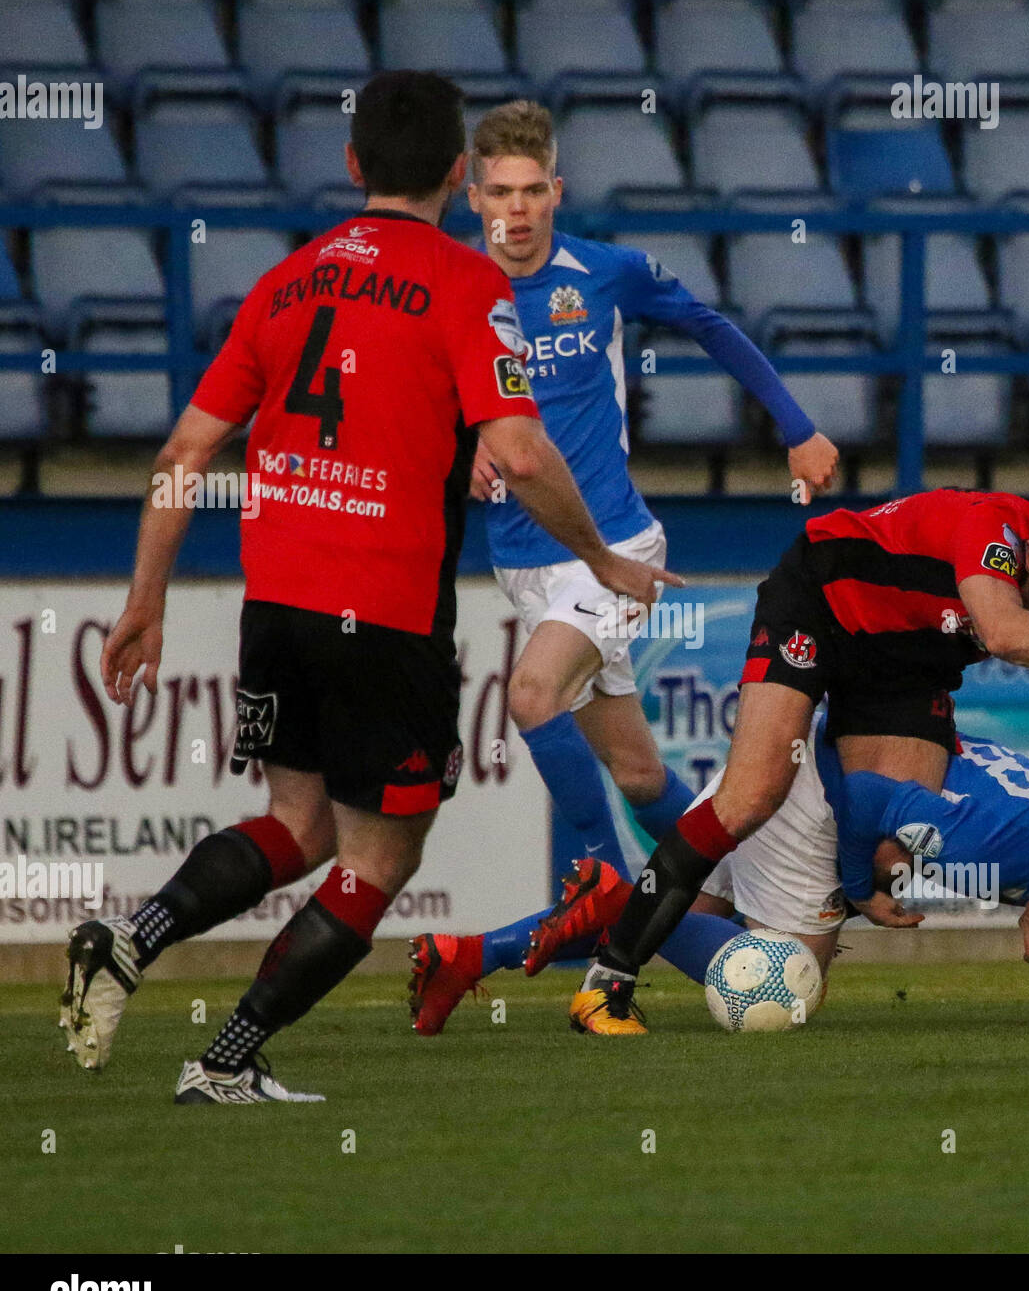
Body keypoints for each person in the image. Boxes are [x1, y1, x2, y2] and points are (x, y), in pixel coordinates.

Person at [59, 71, 674, 1103]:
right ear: (454, 173)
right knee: (375, 859)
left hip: (277, 602)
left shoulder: (284, 280)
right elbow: (519, 451)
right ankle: (227, 1057)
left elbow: (184, 448)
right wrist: (609, 559)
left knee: (297, 825)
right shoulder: (466, 284)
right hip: (384, 616)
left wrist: (146, 599)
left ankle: (132, 936)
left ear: (351, 167)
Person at [403, 100, 841, 1017]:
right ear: (470, 193)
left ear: (556, 191)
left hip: (616, 553)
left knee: (529, 696)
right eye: (498, 194)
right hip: (523, 563)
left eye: (532, 192)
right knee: (642, 776)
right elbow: (428, 405)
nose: (515, 212)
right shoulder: (446, 285)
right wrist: (465, 444)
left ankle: (597, 881)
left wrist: (797, 430)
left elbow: (712, 324)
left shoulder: (601, 273)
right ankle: (730, 944)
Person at [557, 492, 1029, 1032]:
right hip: (821, 600)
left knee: (812, 962)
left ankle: (639, 899)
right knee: (752, 795)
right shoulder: (992, 529)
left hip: (909, 663)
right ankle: (610, 978)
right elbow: (1000, 630)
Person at [528, 722, 1029, 1027]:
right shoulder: (995, 848)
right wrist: (865, 889)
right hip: (805, 792)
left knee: (694, 921)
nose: (1026, 960)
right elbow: (868, 796)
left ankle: (483, 949)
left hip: (796, 763)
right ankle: (615, 900)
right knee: (788, 989)